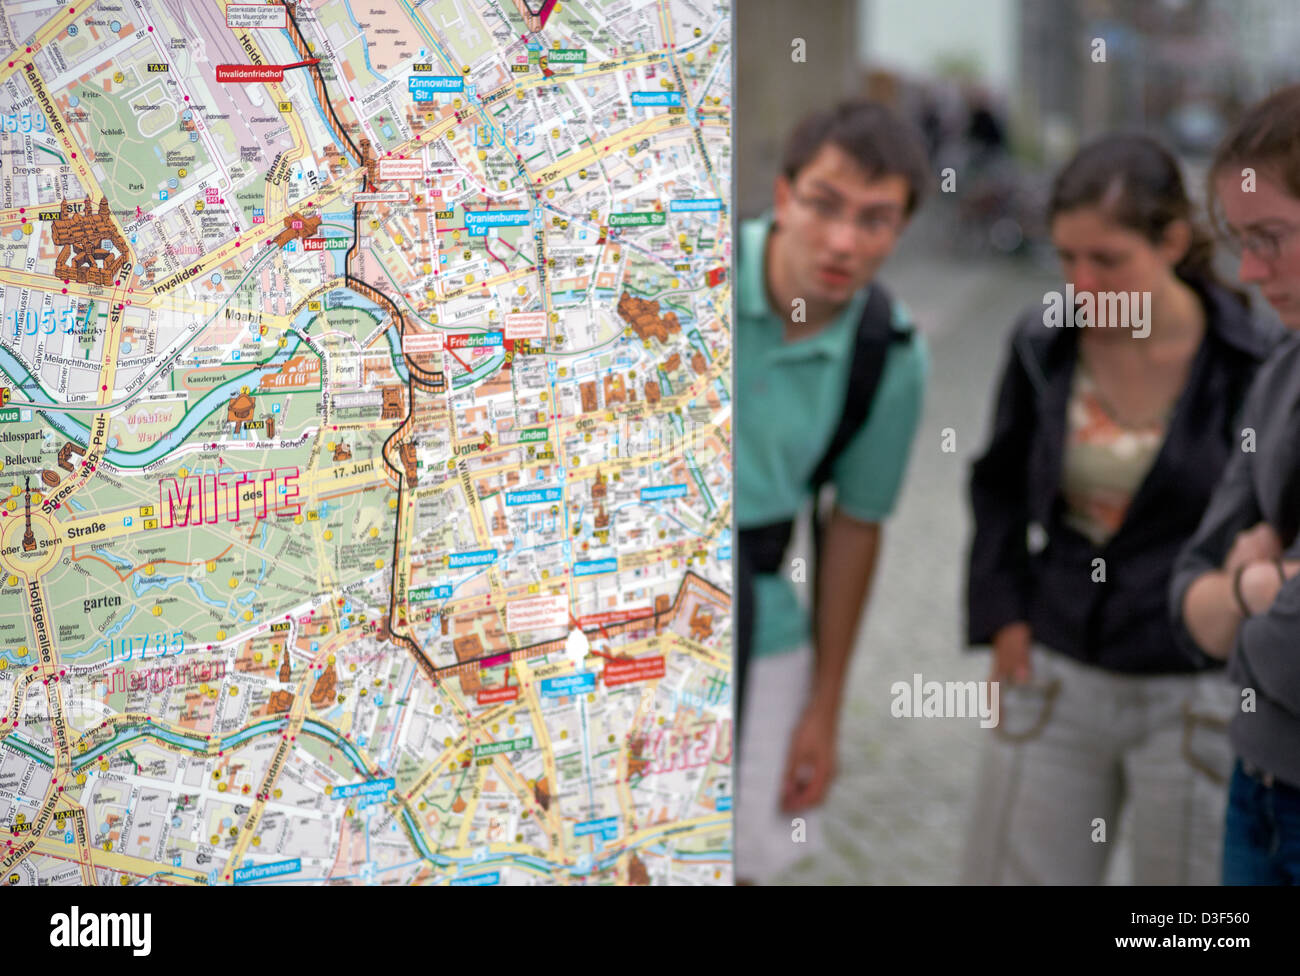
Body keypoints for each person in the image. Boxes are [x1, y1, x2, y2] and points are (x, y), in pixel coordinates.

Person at [962, 133, 1287, 884]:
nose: (1082, 282)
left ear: (1172, 240)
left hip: (1196, 679)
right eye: (1066, 258)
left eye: (1106, 260)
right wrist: (1004, 616)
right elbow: (999, 484)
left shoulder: (1255, 358)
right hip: (1059, 658)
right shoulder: (1044, 342)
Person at [733, 100, 929, 883]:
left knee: (750, 857)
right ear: (783, 197)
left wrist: (825, 708)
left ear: (902, 230)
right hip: (612, 595)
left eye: (877, 220)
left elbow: (855, 529)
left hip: (764, 610)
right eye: (824, 205)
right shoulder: (684, 270)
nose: (845, 241)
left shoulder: (891, 352)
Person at [1170, 83, 1300, 885]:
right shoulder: (1281, 368)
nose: (1248, 272)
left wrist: (1248, 586)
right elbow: (1187, 599)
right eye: (1238, 241)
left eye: (1272, 239)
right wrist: (1272, 586)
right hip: (1255, 789)